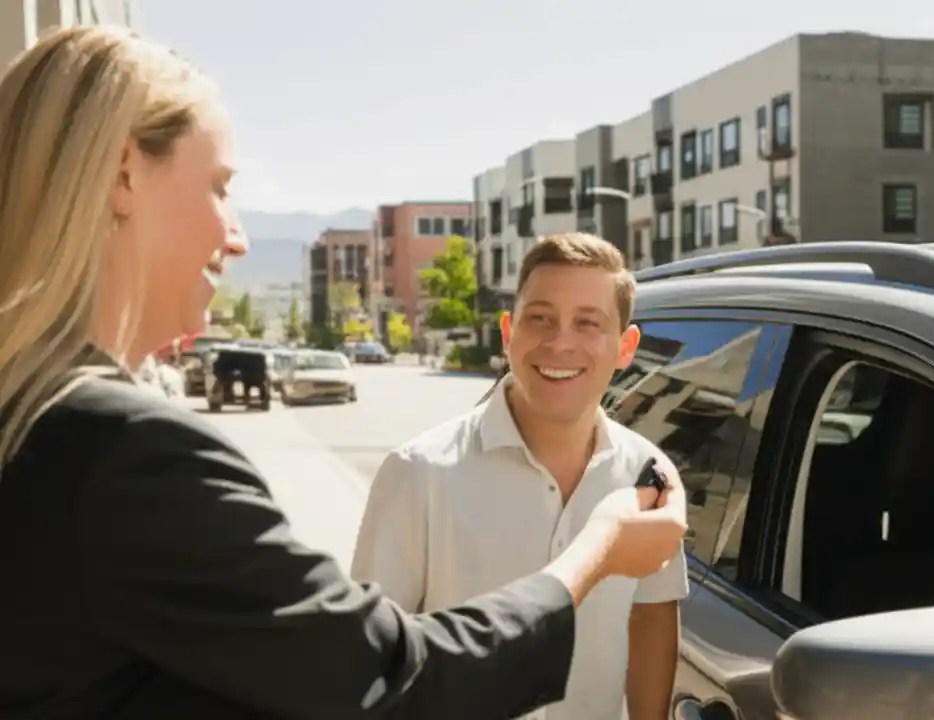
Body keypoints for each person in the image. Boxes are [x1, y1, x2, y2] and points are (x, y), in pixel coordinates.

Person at [0, 27, 687, 718]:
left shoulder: (39, 422)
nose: (237, 235)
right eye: (219, 186)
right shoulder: (122, 452)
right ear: (124, 173)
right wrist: (596, 553)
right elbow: (383, 679)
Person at [353, 233, 688, 720]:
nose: (560, 342)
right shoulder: (418, 472)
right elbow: (369, 658)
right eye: (541, 319)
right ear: (509, 332)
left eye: (588, 323)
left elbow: (653, 613)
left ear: (625, 347)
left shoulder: (648, 475)